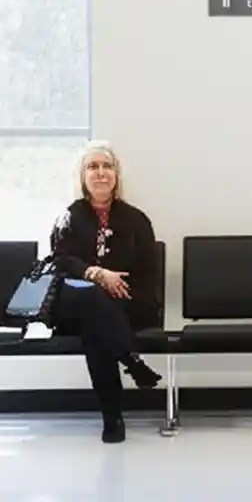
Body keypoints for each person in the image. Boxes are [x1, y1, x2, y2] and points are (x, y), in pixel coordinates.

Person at [49, 141, 163, 444]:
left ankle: (112, 417)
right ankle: (130, 359)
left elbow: (147, 272)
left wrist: (118, 289)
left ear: (116, 175)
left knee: (96, 327)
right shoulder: (68, 217)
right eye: (93, 167)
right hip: (74, 303)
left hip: (125, 306)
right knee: (90, 296)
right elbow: (60, 262)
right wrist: (97, 274)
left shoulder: (137, 220)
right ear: (82, 177)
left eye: (107, 166)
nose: (101, 173)